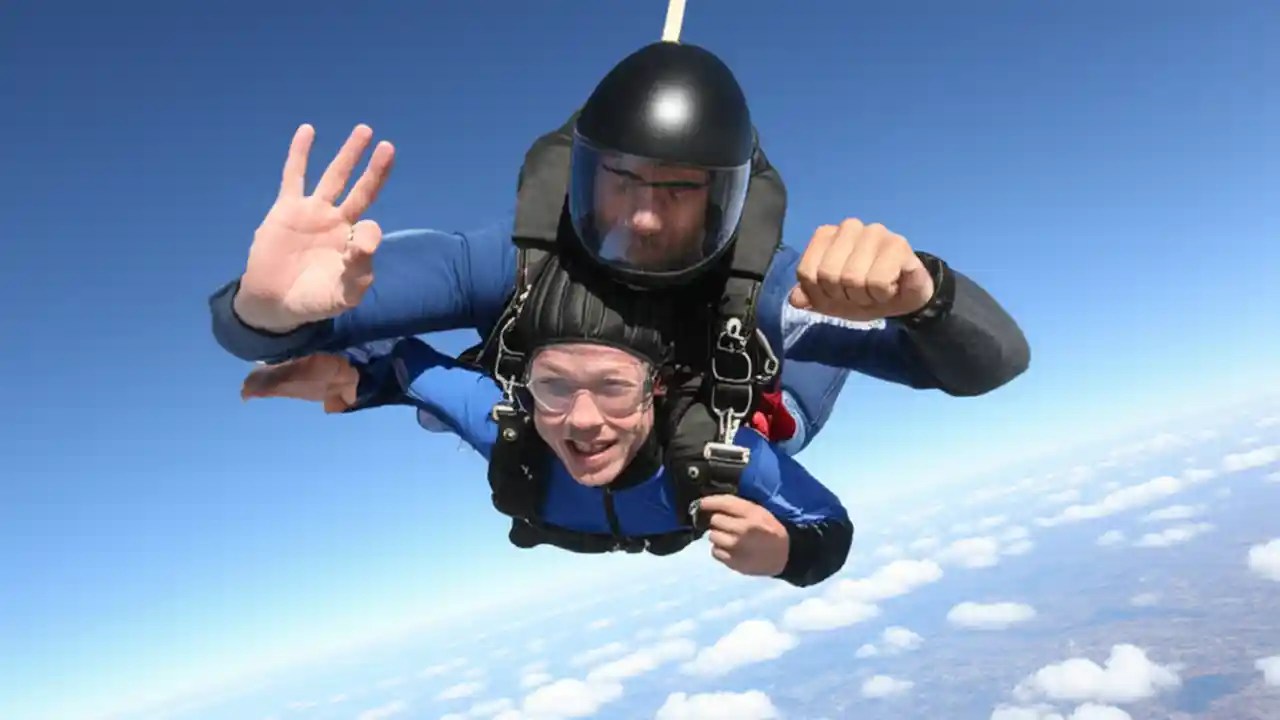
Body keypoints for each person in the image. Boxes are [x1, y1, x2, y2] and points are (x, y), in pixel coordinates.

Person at [210, 40, 1030, 464]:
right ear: (577, 174)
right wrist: (266, 310)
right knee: (487, 392)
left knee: (758, 423)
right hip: (571, 419)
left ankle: (374, 379)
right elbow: (285, 318)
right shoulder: (512, 262)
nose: (640, 218)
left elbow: (984, 366)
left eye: (678, 189)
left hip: (746, 417)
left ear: (727, 201)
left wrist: (925, 296)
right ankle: (372, 380)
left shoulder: (769, 290)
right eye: (620, 181)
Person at [242, 270, 854, 588]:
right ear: (526, 388)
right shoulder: (517, 429)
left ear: (654, 391)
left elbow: (829, 526)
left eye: (613, 389)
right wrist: (349, 373)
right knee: (440, 409)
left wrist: (786, 552)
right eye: (554, 387)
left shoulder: (722, 452)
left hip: (772, 406)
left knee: (810, 366)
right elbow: (406, 363)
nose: (582, 420)